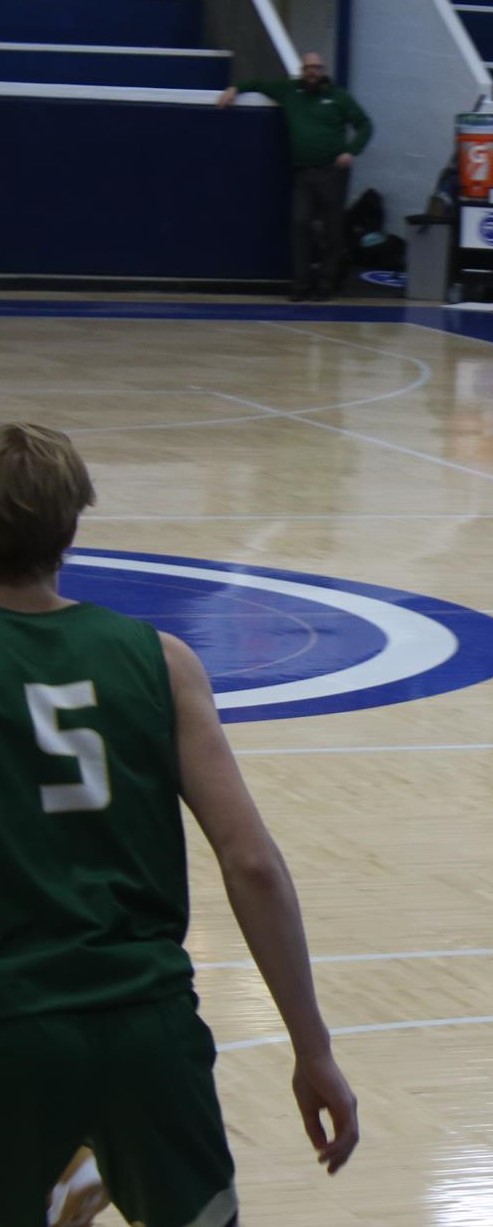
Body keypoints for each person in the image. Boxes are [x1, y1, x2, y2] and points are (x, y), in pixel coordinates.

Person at [0, 423, 360, 1225]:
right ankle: (82, 1173)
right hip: (148, 1030)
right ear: (73, 524)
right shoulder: (160, 660)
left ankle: (72, 1176)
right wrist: (312, 1048)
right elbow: (253, 863)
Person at [217, 53, 373, 302]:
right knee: (300, 224)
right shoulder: (290, 91)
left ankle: (325, 285)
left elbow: (365, 124)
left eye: (317, 67)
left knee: (333, 231)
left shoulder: (338, 97)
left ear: (323, 70)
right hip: (302, 173)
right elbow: (259, 83)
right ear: (302, 70)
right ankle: (300, 285)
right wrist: (235, 88)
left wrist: (351, 151)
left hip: (331, 172)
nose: (312, 71)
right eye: (308, 67)